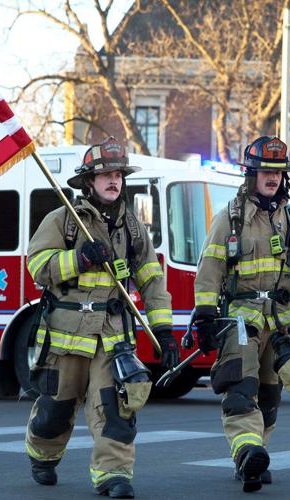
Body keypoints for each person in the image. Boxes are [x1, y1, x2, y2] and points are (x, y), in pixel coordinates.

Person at [23, 137, 178, 498]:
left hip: (112, 338)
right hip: (65, 337)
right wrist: (78, 259)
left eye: (119, 175)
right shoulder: (63, 220)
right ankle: (42, 455)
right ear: (89, 182)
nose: (114, 181)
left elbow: (153, 281)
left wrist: (164, 330)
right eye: (106, 175)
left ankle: (113, 474)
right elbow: (37, 266)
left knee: (116, 408)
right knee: (55, 411)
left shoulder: (134, 229)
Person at [193, 136, 290, 492]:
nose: (272, 177)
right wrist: (204, 315)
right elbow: (210, 269)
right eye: (265, 171)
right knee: (241, 388)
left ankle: (256, 453)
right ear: (251, 174)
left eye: (278, 171)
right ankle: (246, 451)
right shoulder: (230, 219)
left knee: (270, 397)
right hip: (242, 321)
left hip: (282, 322)